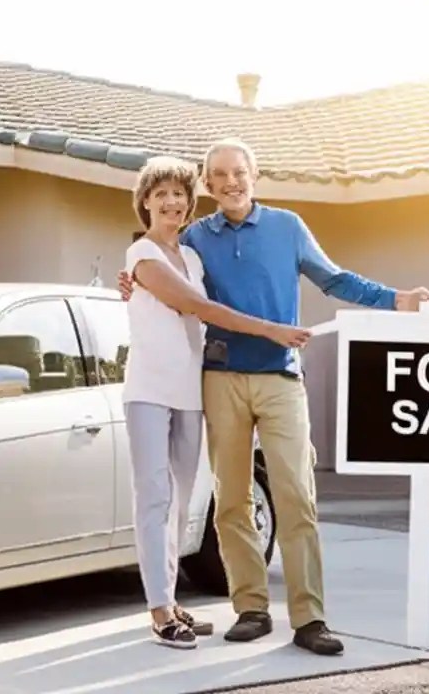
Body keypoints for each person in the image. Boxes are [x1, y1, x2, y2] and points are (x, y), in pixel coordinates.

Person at [118, 138, 429, 656]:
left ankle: (309, 617)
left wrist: (397, 299)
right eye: (218, 174)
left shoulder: (287, 227)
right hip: (218, 380)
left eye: (238, 172)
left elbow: (334, 280)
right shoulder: (196, 236)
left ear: (254, 174)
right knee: (233, 501)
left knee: (296, 496)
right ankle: (249, 608)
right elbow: (164, 274)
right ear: (207, 183)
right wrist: (129, 284)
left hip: (281, 378)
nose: (229, 182)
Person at [121, 155, 312, 649]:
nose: (171, 202)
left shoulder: (192, 256)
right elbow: (199, 307)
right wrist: (272, 330)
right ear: (145, 201)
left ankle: (173, 599)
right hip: (148, 390)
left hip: (189, 389)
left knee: (181, 501)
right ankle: (160, 610)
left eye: (179, 195)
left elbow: (202, 301)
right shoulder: (141, 255)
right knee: (154, 497)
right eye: (160, 194)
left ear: (190, 203)